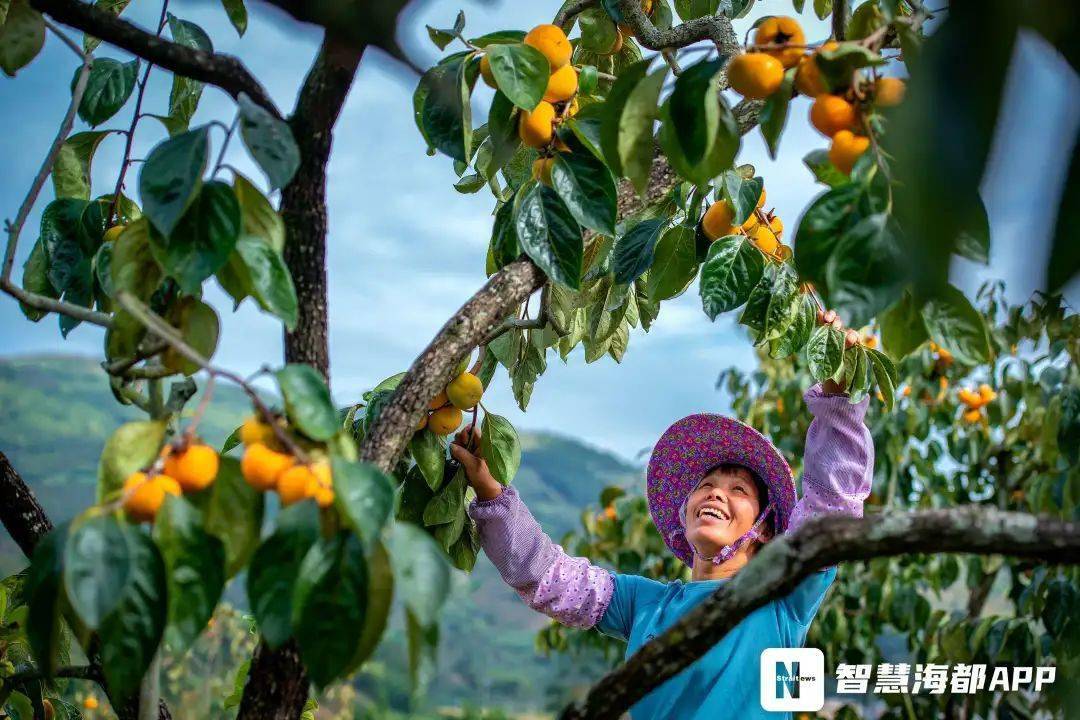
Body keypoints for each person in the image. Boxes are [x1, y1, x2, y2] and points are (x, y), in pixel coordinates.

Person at [450, 316, 873, 719]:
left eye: (738, 490)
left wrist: (839, 394)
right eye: (707, 484)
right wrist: (490, 490)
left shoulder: (781, 596)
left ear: (762, 530)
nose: (715, 493)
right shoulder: (644, 604)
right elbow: (548, 577)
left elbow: (832, 505)